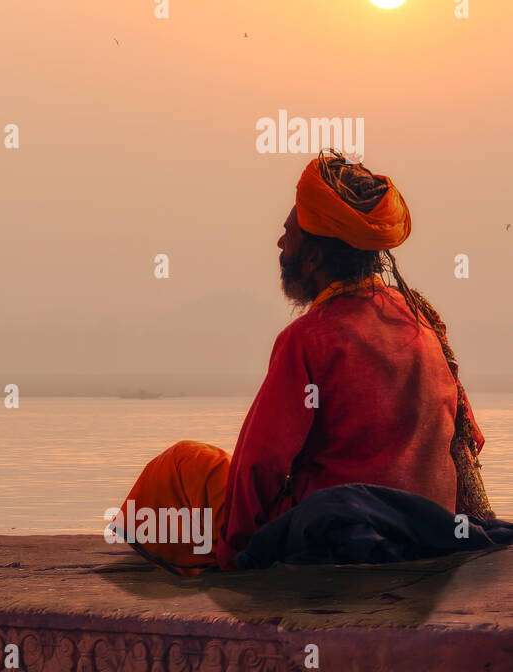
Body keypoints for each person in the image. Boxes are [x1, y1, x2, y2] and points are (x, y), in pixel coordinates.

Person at [111, 151, 492, 574]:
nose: (280, 244)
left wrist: (237, 554)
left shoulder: (310, 338)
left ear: (312, 258)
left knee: (182, 464)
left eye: (288, 233)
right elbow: (467, 438)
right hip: (425, 529)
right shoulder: (421, 321)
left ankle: (192, 571)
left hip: (335, 533)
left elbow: (261, 465)